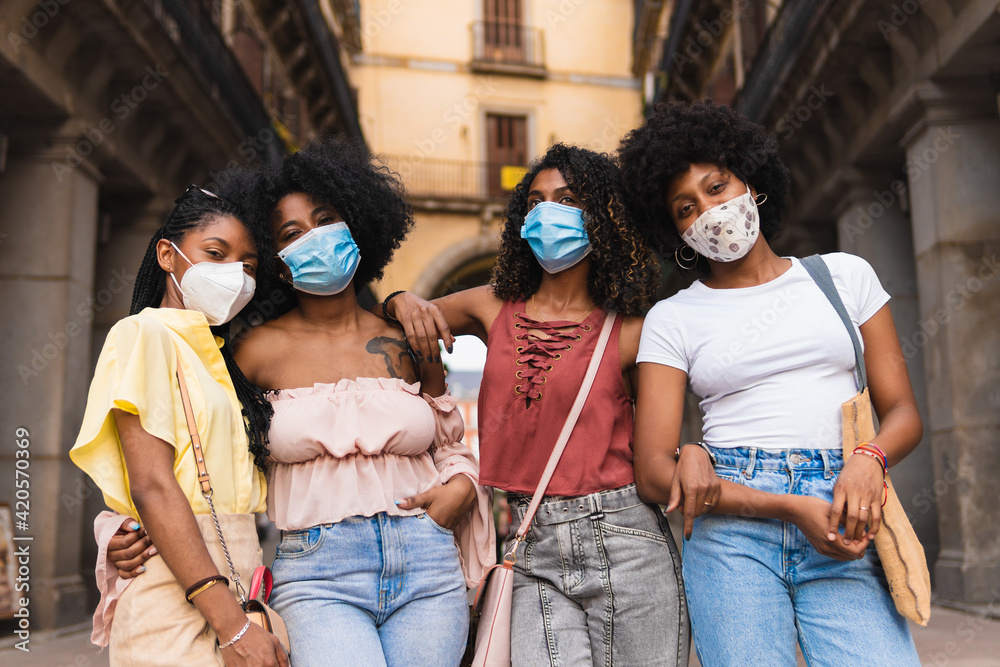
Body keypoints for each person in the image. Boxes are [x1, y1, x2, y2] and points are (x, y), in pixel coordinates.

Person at [618, 100, 923, 665]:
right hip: (731, 524)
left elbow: (903, 411)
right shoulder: (674, 317)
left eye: (717, 187)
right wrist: (695, 455)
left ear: (751, 182)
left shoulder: (844, 276)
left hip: (842, 511)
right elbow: (654, 473)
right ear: (677, 232)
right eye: (687, 207)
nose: (710, 211)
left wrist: (868, 457)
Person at [384, 144, 709, 666]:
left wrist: (695, 456)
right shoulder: (489, 306)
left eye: (567, 199)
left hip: (626, 539)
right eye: (535, 201)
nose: (547, 212)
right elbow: (387, 331)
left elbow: (655, 459)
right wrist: (399, 298)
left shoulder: (633, 333)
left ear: (603, 217)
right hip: (529, 544)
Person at [228, 138, 494, 667]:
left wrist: (463, 484)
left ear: (355, 226)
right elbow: (207, 452)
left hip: (427, 562)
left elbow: (449, 440)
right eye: (292, 233)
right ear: (279, 265)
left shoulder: (407, 337)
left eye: (326, 220)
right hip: (316, 574)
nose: (315, 239)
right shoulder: (252, 353)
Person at [70, 180, 288, 667]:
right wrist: (233, 629)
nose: (234, 274)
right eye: (216, 252)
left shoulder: (218, 359)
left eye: (248, 266)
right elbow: (152, 486)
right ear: (168, 256)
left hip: (239, 579)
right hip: (180, 593)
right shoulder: (144, 333)